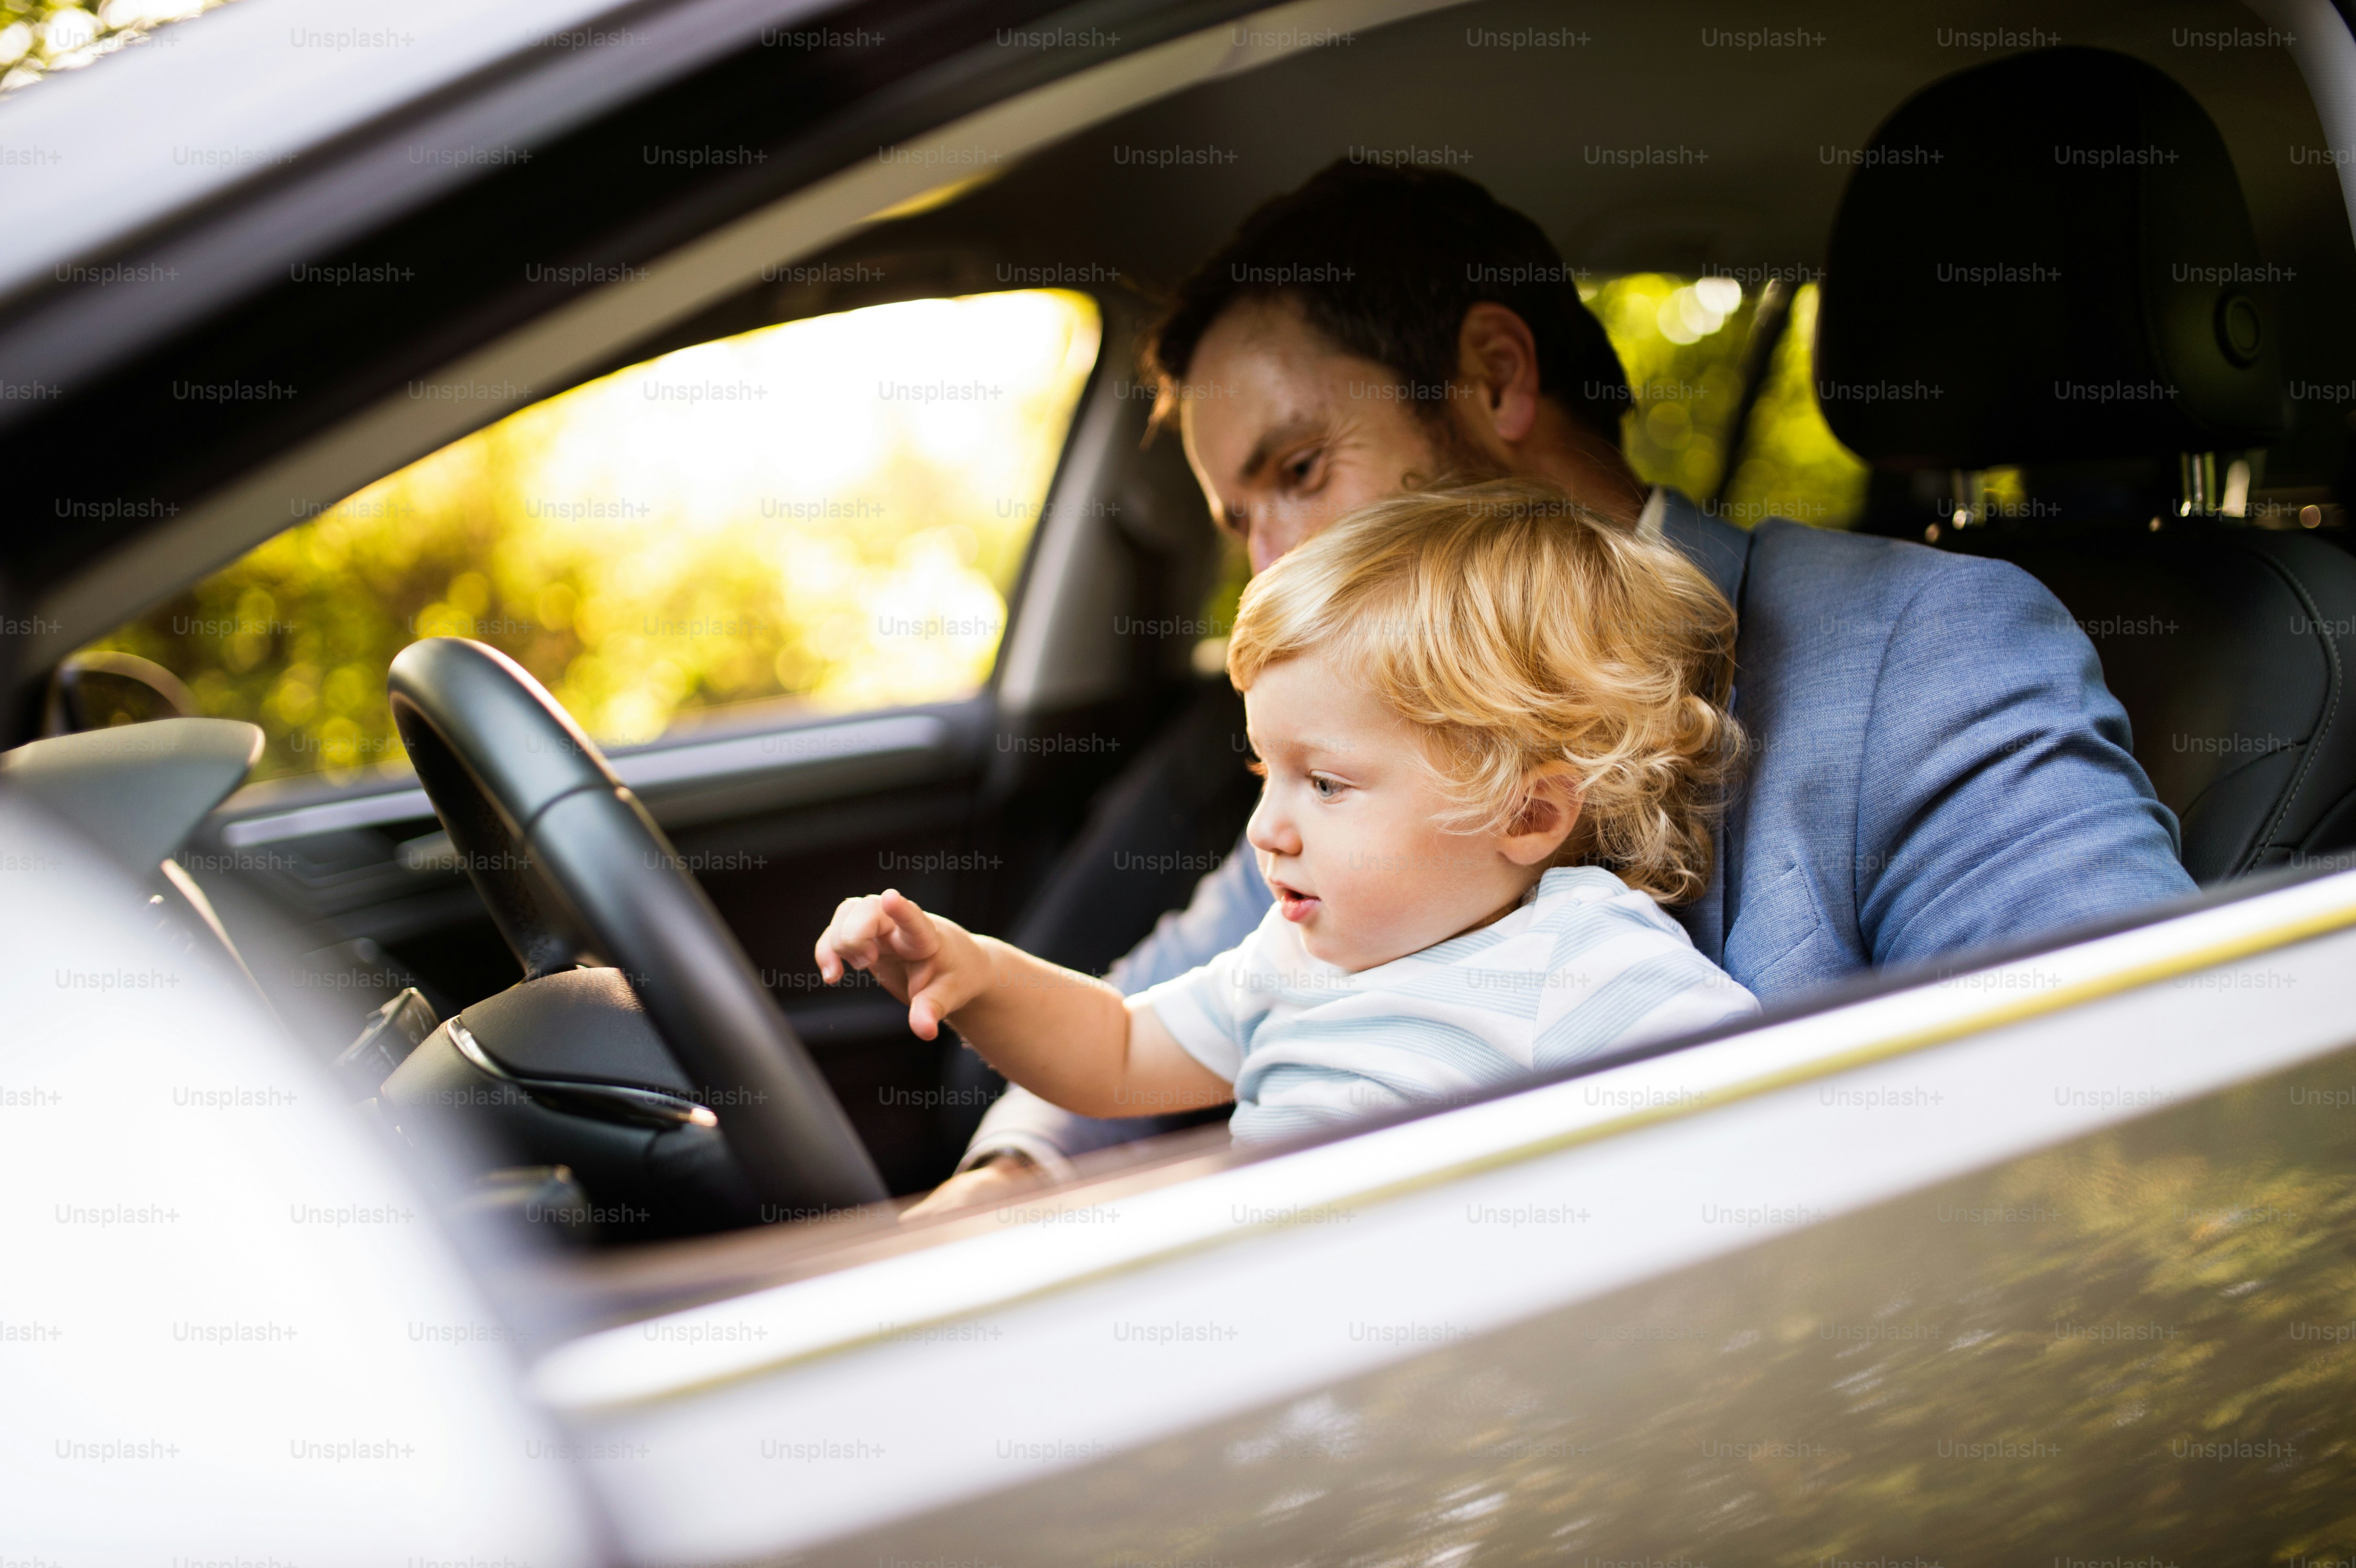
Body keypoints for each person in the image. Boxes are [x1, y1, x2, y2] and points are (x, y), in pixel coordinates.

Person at [914, 159, 2194, 1215]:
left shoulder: (1929, 654)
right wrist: (1000, 1186)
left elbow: (2131, 1111)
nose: (1271, 566)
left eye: (1300, 470)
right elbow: (1139, 1020)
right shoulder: (1345, 766)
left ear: (1495, 379)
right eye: (1238, 519)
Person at [819, 481, 1758, 1142]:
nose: (1266, 825)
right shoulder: (1288, 958)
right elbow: (1112, 1051)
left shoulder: (1587, 960)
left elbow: (1769, 1126)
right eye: (1266, 769)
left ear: (1527, 811)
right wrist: (975, 970)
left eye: (1328, 783)